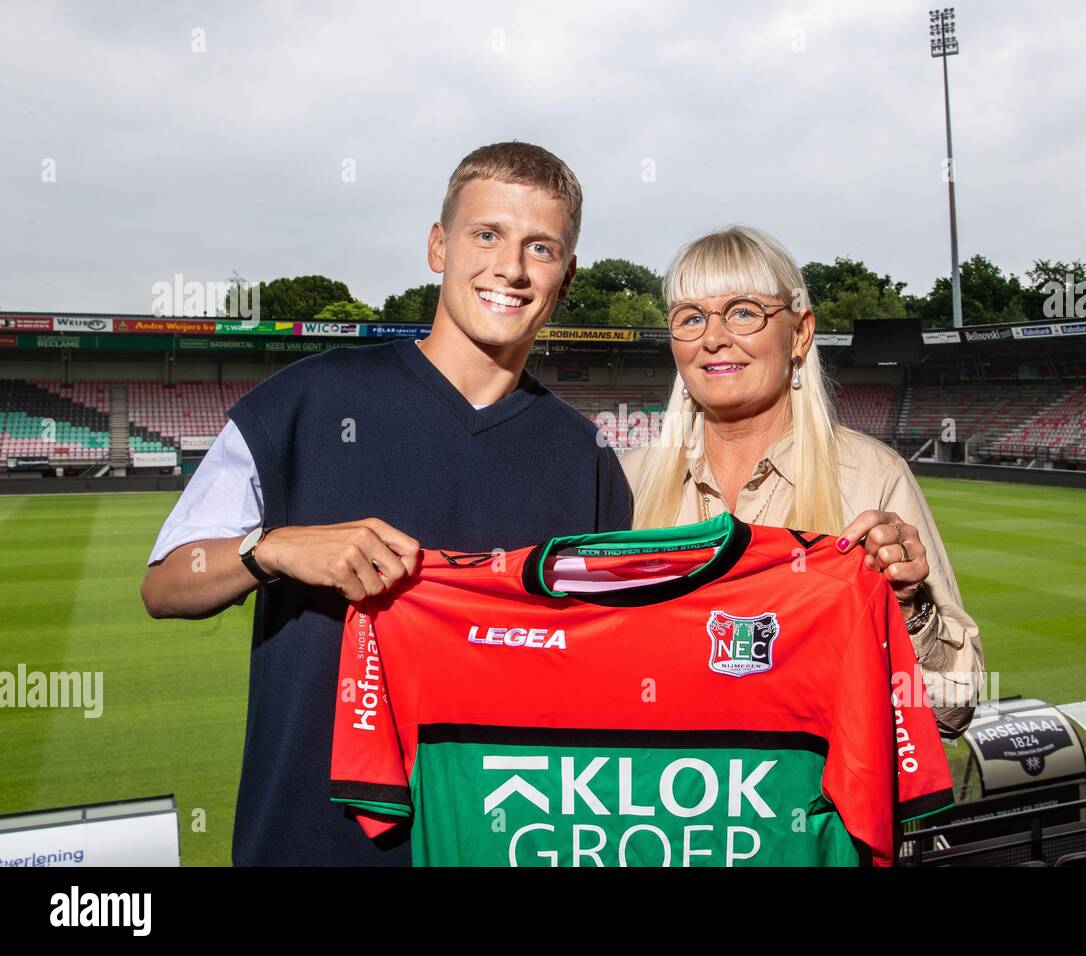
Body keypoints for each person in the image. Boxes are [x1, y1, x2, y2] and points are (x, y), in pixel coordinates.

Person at [140, 142, 633, 865]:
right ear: (439, 246)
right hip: (304, 845)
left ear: (566, 276)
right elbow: (163, 585)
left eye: (541, 247)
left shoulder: (589, 461)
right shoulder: (305, 401)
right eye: (486, 234)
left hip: (500, 845)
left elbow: (601, 677)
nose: (512, 269)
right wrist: (269, 548)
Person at [619, 225, 981, 736]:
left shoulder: (871, 476)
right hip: (670, 804)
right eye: (691, 317)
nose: (714, 338)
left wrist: (909, 607)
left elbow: (950, 712)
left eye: (744, 312)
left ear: (800, 333)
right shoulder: (625, 482)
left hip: (817, 810)